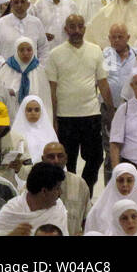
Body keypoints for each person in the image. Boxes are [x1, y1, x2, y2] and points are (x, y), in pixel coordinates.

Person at [45, 14, 113, 192]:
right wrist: (53, 119)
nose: (76, 30)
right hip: (66, 117)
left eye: (80, 26)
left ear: (84, 28)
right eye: (72, 26)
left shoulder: (95, 50)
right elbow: (52, 90)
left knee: (96, 157)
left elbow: (103, 83)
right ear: (66, 29)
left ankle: (85, 192)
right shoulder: (55, 54)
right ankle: (68, 194)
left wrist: (111, 112)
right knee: (68, 161)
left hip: (91, 114)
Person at [0, 161, 69, 235]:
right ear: (44, 191)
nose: (60, 192)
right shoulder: (12, 209)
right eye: (57, 188)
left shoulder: (58, 207)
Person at [84, 163, 137, 235]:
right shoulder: (99, 210)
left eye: (129, 180)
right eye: (120, 180)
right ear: (114, 181)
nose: (125, 185)